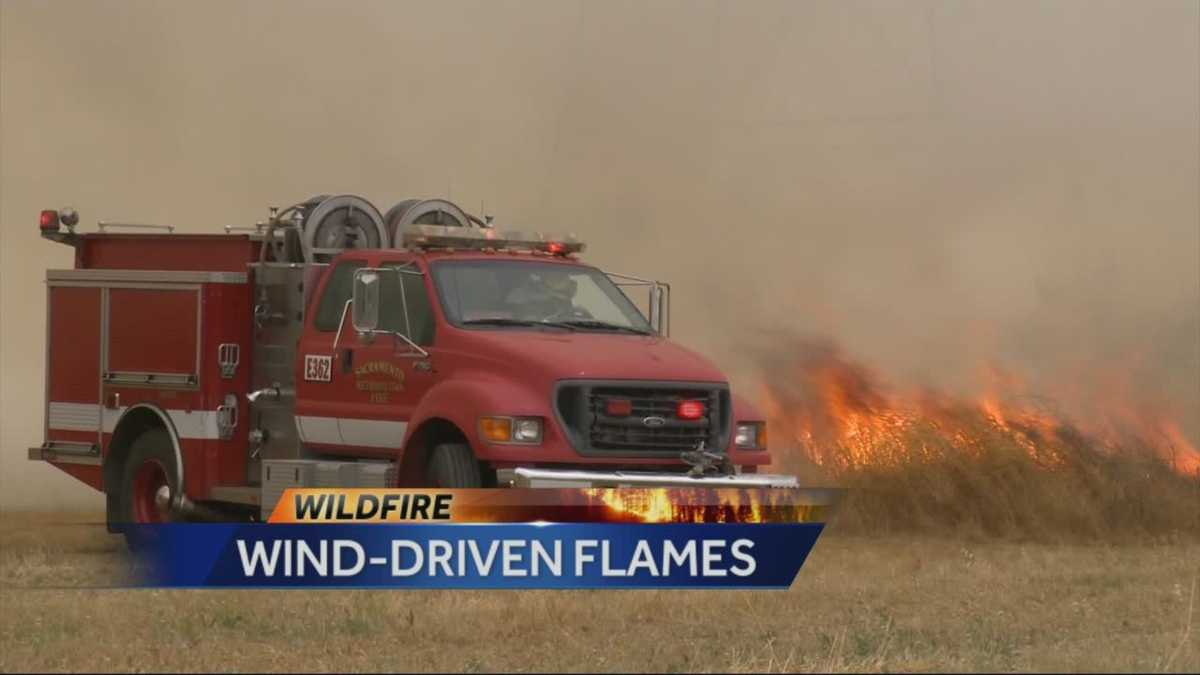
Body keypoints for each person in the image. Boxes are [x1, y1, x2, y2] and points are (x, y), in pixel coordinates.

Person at [505, 267, 587, 322]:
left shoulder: (562, 298)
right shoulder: (524, 293)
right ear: (546, 277)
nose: (568, 281)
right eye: (559, 277)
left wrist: (578, 314)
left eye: (566, 277)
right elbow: (520, 318)